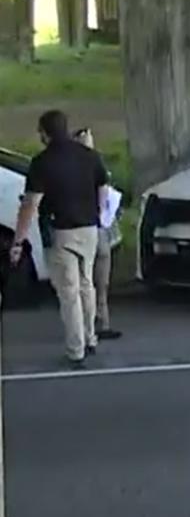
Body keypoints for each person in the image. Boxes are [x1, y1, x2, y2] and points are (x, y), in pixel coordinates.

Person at [9, 111, 109, 369]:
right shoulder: (89, 156)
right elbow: (103, 188)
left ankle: (76, 351)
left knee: (69, 292)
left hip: (60, 231)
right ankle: (90, 338)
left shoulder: (42, 163)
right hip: (89, 229)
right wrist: (98, 217)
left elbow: (31, 204)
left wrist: (18, 241)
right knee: (86, 284)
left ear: (45, 133)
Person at [73, 128, 123, 341]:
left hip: (96, 228)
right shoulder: (86, 166)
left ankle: (99, 321)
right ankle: (94, 322)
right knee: (91, 280)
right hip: (91, 227)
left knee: (97, 281)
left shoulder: (93, 164)